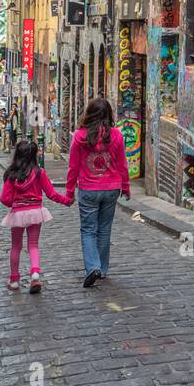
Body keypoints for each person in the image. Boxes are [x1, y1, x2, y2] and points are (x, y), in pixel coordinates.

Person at [67, 98, 131, 288]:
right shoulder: (116, 136)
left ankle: (92, 267)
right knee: (104, 229)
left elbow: (73, 167)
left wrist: (70, 191)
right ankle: (102, 269)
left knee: (88, 230)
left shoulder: (80, 136)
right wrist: (126, 186)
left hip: (88, 189)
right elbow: (122, 164)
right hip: (111, 189)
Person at [0, 140, 73, 293]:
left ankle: (14, 280)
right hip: (35, 212)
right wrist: (66, 201)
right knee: (33, 245)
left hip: (18, 213)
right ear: (34, 155)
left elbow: (4, 199)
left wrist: (14, 204)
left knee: (16, 247)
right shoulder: (39, 173)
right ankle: (35, 275)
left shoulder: (11, 175)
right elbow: (52, 194)